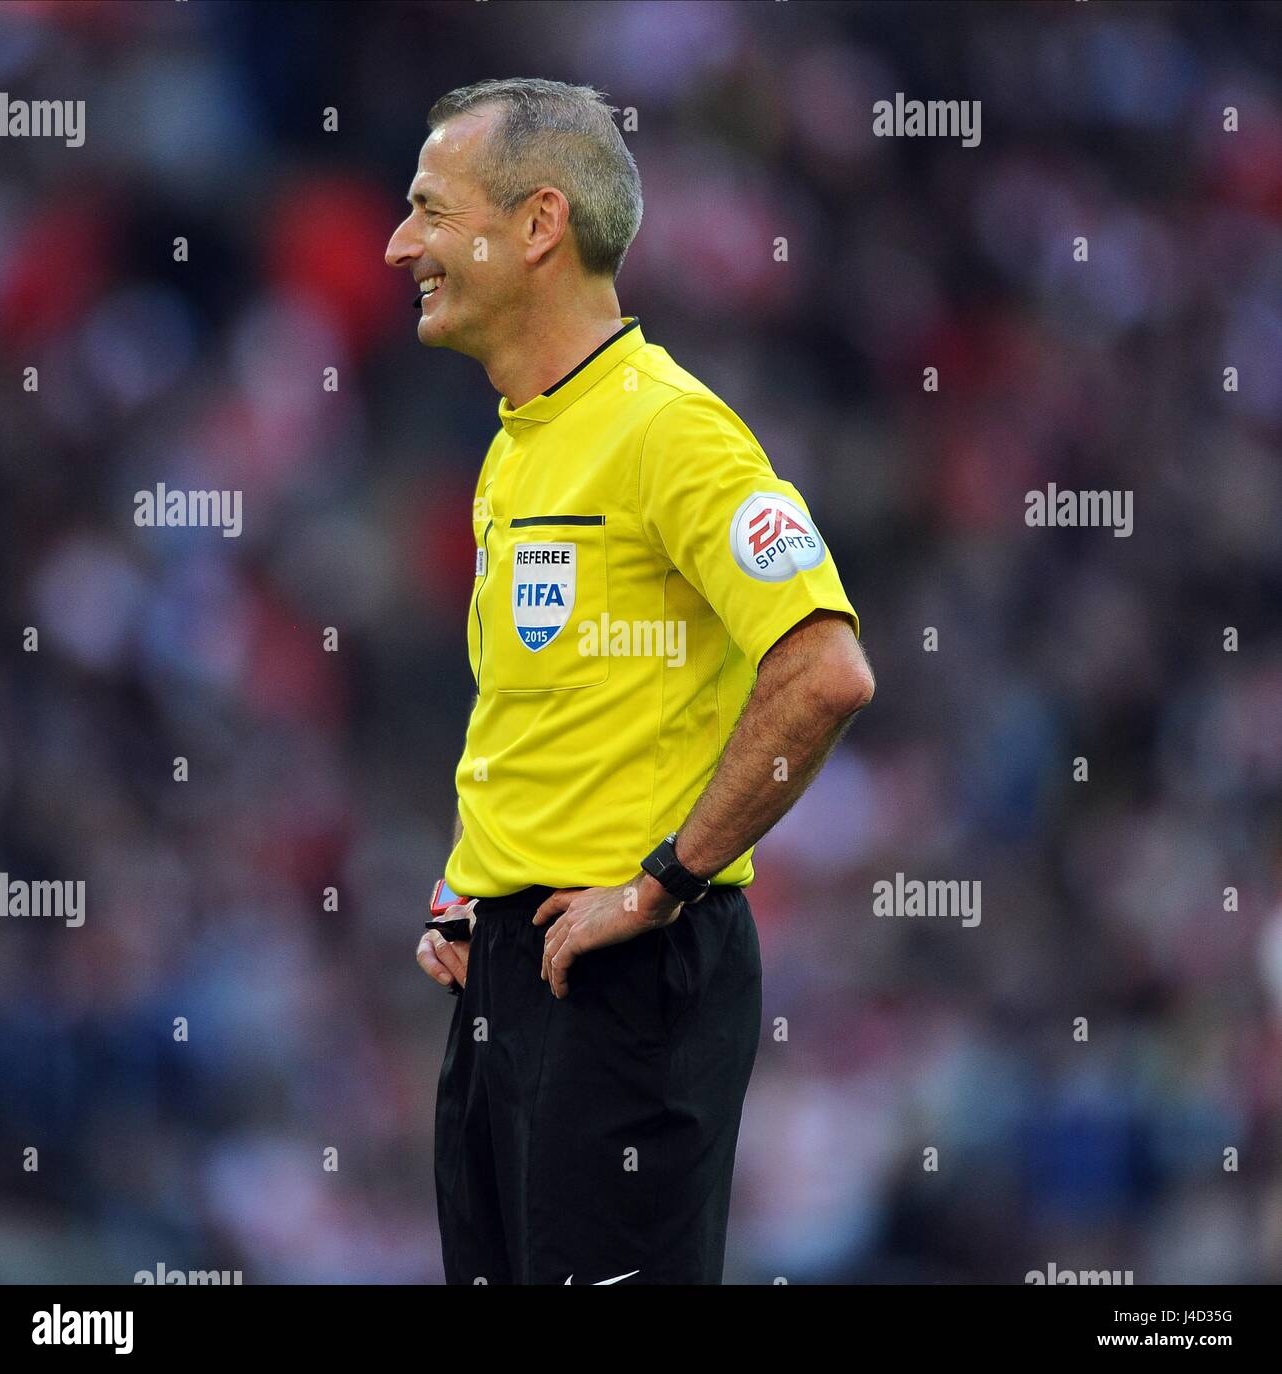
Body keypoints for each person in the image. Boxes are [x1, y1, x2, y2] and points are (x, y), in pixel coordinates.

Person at [385, 78, 875, 1285]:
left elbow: (825, 671)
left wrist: (662, 882)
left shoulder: (674, 432)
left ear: (538, 223)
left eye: (430, 211)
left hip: (628, 970)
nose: (402, 245)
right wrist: (475, 877)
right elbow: (550, 703)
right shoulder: (517, 444)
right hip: (513, 961)